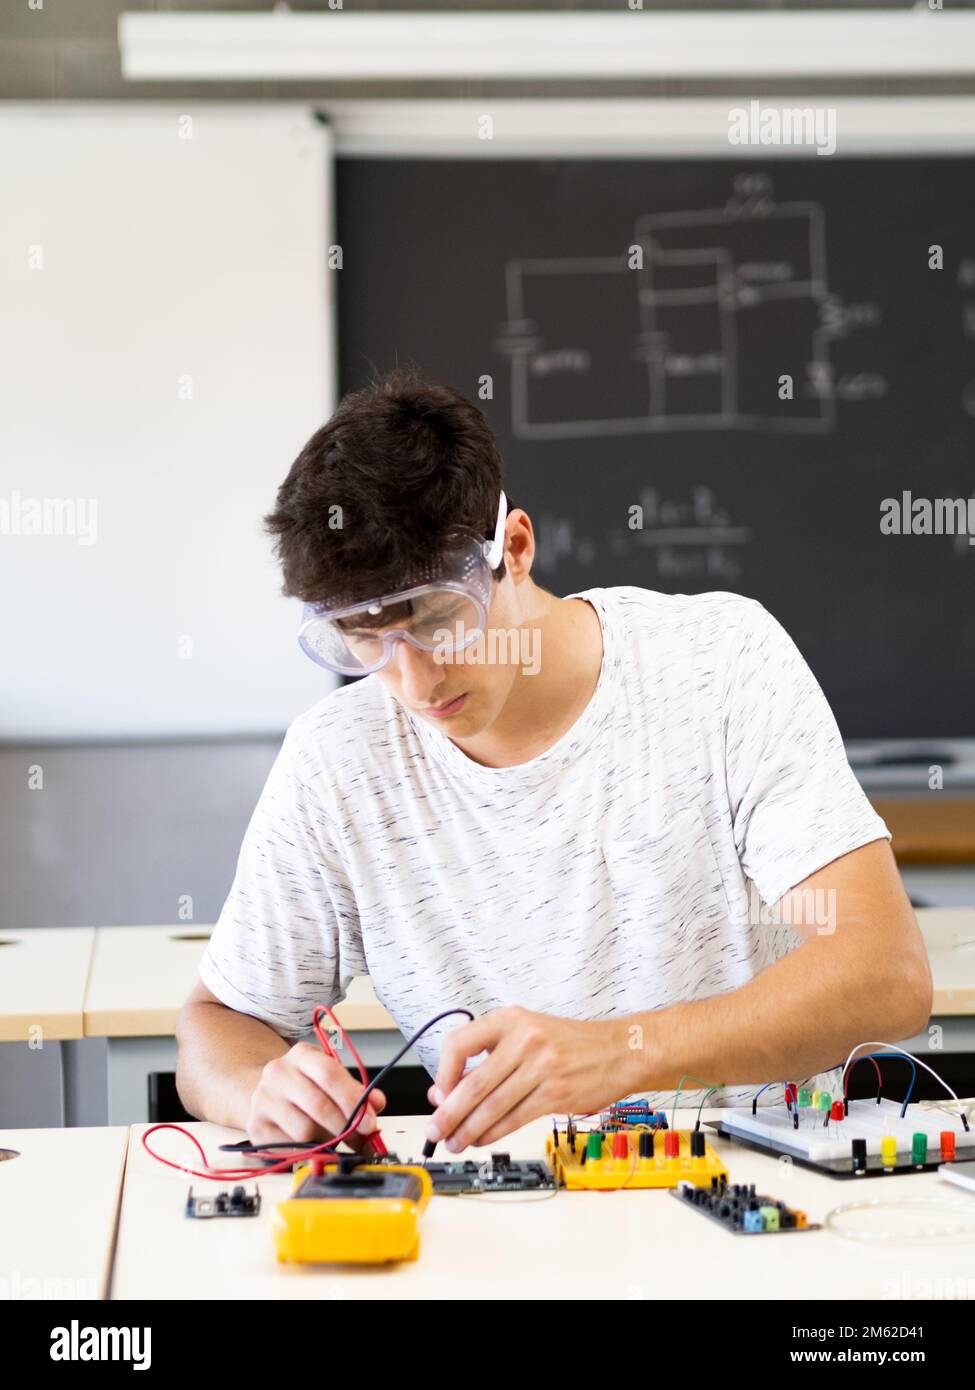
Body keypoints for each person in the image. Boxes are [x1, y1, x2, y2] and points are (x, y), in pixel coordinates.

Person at [175, 366, 931, 1155]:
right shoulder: (337, 760)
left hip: (749, 1199)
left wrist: (623, 1053)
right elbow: (215, 1026)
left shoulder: (720, 664)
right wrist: (263, 1087)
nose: (415, 678)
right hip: (509, 1222)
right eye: (366, 639)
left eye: (438, 620)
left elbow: (885, 973)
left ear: (516, 549)